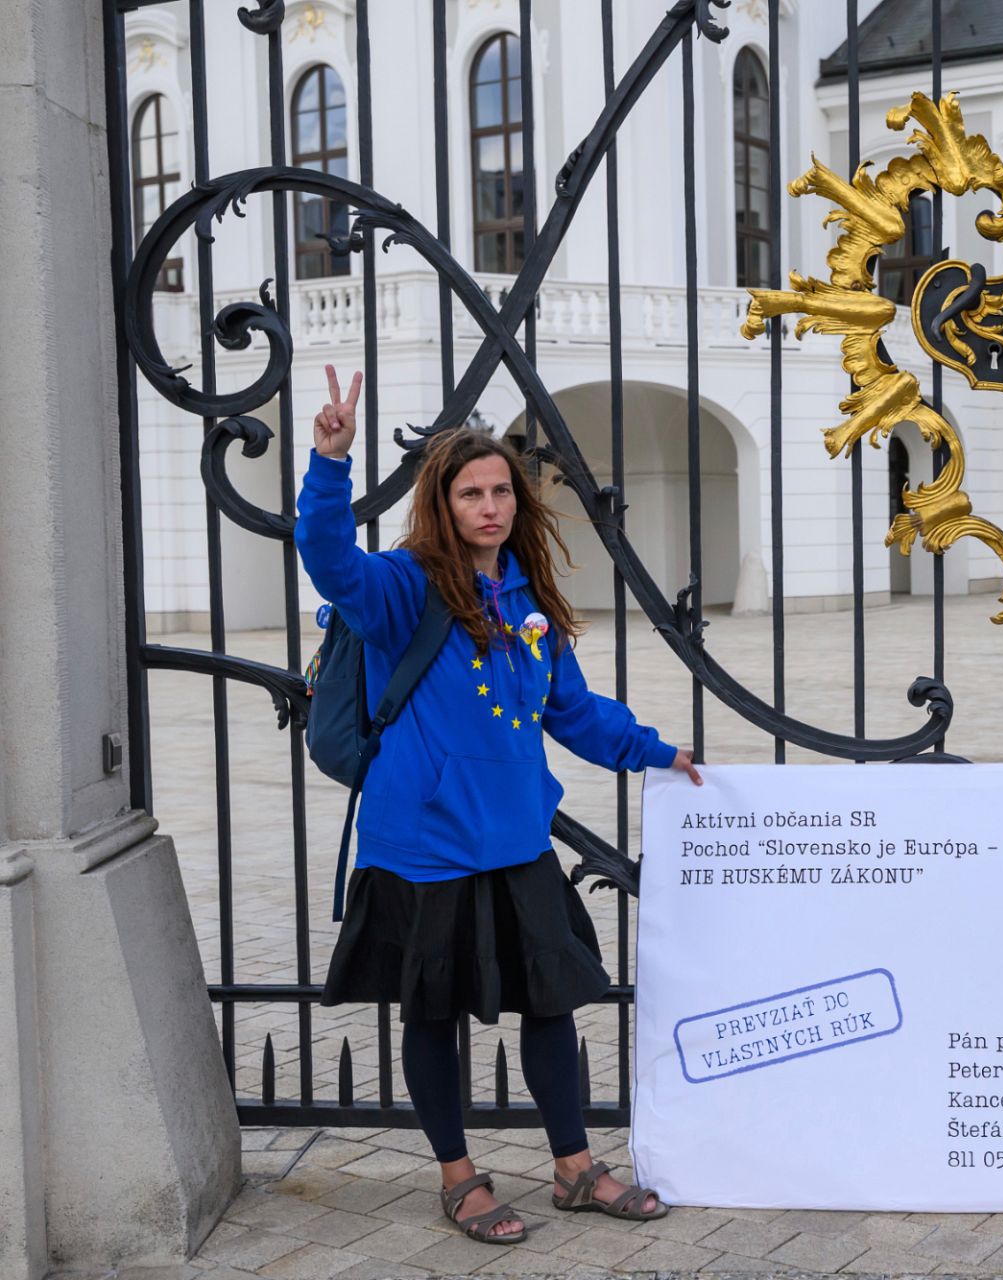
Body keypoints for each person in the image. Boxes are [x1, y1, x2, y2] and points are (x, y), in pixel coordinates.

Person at [296, 366, 702, 1245]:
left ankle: (572, 1168)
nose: (490, 506)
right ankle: (458, 1176)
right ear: (442, 505)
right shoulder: (401, 592)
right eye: (471, 493)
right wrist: (331, 464)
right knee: (431, 1017)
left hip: (517, 840)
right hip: (425, 846)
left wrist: (655, 750)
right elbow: (329, 560)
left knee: (549, 1007)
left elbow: (572, 711)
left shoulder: (527, 599)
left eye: (501, 491)